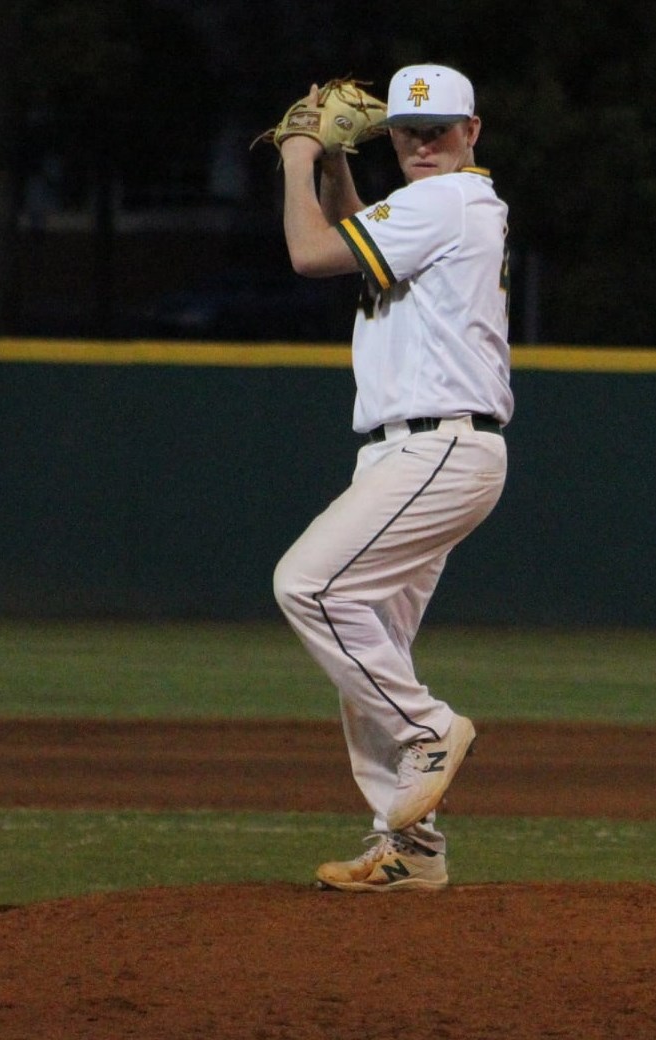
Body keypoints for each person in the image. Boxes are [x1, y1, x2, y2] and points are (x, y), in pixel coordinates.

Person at [269, 64, 510, 892]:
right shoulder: (435, 210)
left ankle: (429, 728)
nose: (421, 143)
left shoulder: (444, 200)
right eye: (406, 132)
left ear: (472, 131)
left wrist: (299, 156)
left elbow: (310, 254)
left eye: (438, 127)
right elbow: (362, 248)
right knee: (370, 646)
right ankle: (410, 850)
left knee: (309, 586)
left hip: (436, 448)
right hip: (415, 451)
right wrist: (341, 168)